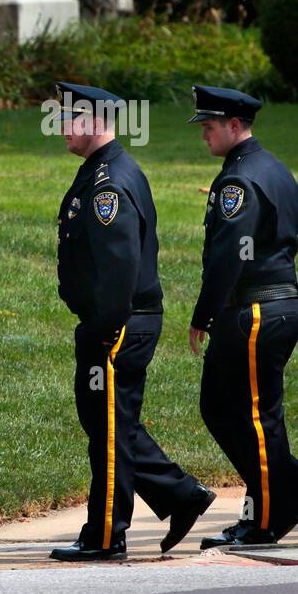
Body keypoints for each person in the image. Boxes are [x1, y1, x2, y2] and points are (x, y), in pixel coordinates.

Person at [48, 82, 215, 562]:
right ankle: (182, 496)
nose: (61, 127)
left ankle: (106, 535)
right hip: (116, 322)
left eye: (68, 118)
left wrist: (104, 327)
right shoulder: (102, 171)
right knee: (107, 421)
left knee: (109, 427)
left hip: (119, 324)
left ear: (93, 122)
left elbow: (119, 266)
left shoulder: (109, 183)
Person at [188, 85, 298, 548]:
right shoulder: (272, 167)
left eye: (210, 127)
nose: (204, 136)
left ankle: (268, 520)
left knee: (253, 416)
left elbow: (228, 256)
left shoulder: (238, 180)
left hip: (254, 309)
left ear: (235, 126)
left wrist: (203, 314)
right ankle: (279, 498)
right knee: (220, 406)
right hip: (273, 305)